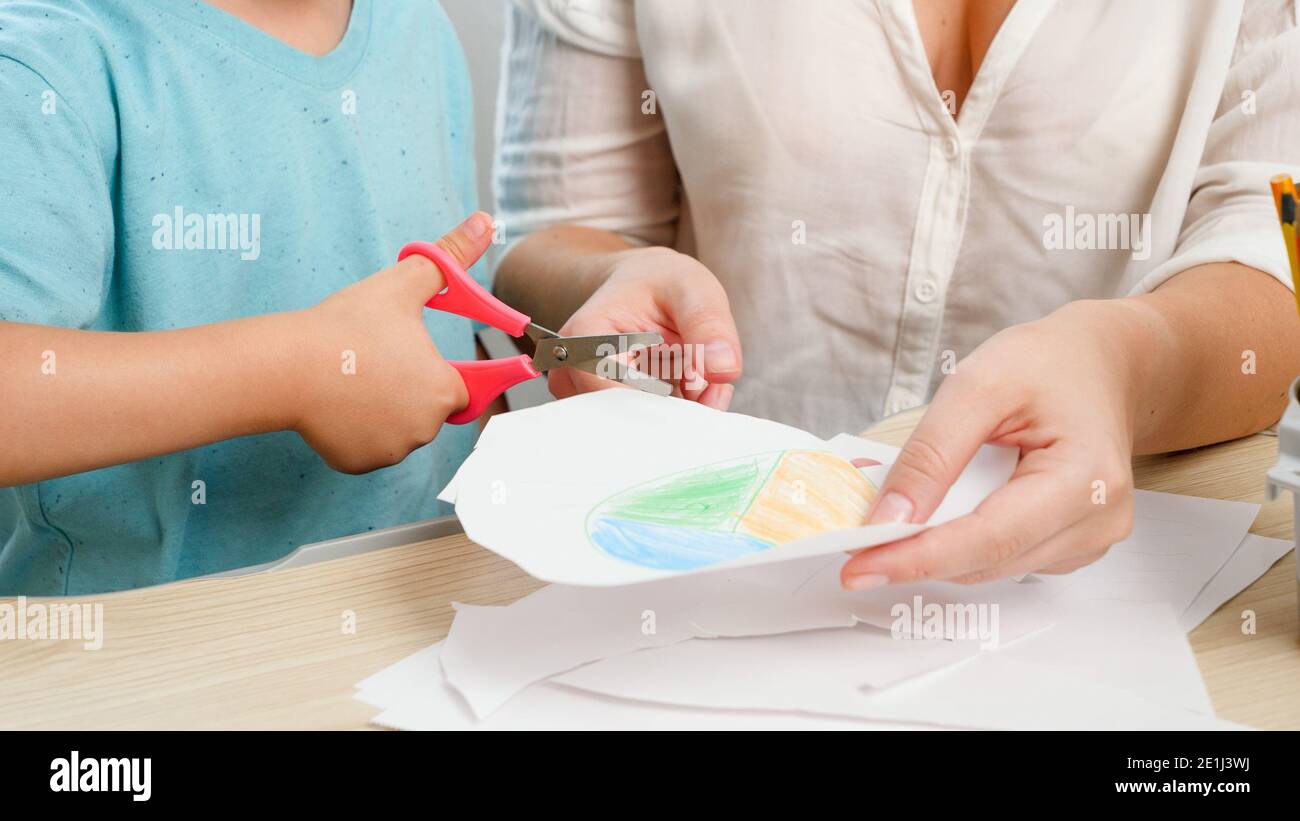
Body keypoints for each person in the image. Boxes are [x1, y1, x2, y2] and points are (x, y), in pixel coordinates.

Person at [491, 0, 1300, 587]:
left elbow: (1271, 252)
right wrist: (607, 278)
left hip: (1094, 579)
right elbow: (550, 240)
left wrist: (1125, 366)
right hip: (708, 570)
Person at [0, 0, 486, 595]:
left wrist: (592, 280)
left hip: (424, 617)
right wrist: (298, 373)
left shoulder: (418, 26)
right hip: (144, 658)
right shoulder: (42, 56)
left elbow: (451, 303)